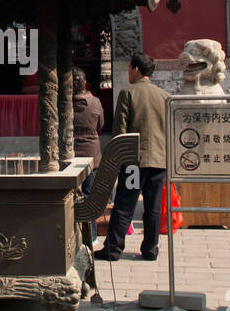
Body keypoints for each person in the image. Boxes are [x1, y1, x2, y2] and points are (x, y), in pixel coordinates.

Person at [95, 52, 168, 261]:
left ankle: (114, 248)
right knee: (153, 206)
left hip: (134, 162)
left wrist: (115, 162)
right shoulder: (164, 96)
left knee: (126, 204)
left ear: (136, 69)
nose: (128, 72)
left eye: (129, 68)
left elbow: (120, 132)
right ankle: (150, 249)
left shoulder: (128, 93)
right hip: (158, 161)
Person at [72, 66, 105, 243]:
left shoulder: (64, 104)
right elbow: (101, 125)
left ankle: (73, 234)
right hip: (92, 154)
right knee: (89, 196)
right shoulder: (95, 102)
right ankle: (90, 236)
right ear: (85, 83)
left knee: (70, 196)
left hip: (70, 154)